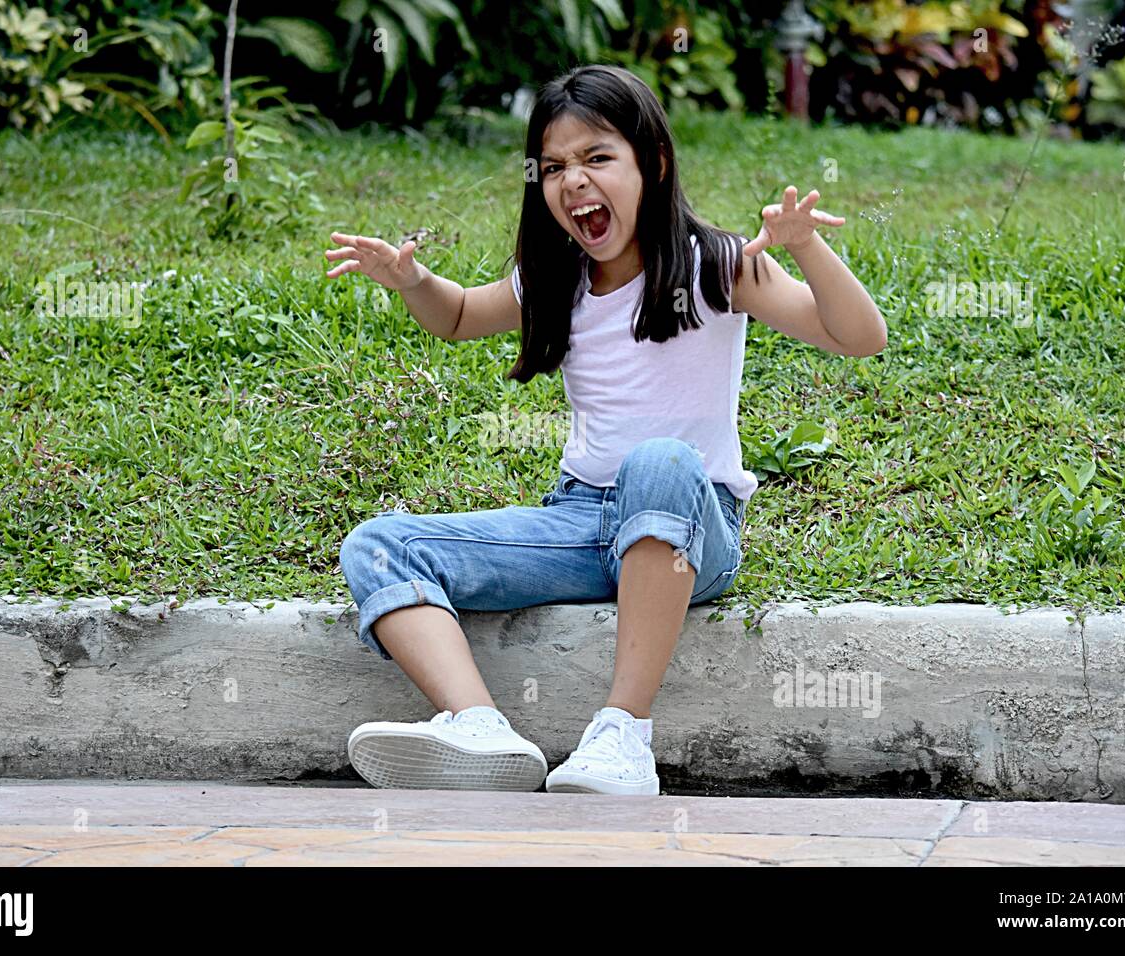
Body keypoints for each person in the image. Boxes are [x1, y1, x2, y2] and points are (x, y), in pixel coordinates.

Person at [325, 64, 886, 796]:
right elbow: (459, 317)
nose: (573, 182)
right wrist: (412, 282)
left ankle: (624, 733)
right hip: (585, 524)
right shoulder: (554, 279)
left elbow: (860, 336)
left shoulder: (714, 264)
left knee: (657, 463)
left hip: (692, 526)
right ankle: (479, 728)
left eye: (597, 158)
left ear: (651, 163)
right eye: (554, 167)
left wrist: (806, 247)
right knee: (379, 545)